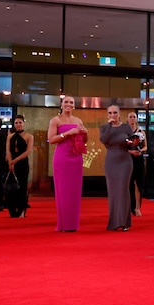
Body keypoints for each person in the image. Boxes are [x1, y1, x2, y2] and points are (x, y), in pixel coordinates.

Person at [48, 95, 88, 232]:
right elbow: (51, 139)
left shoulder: (78, 120)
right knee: (63, 191)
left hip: (76, 158)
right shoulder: (55, 120)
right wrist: (68, 133)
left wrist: (85, 133)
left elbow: (84, 141)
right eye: (66, 102)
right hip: (62, 158)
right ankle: (63, 224)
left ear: (74, 105)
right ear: (61, 104)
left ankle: (73, 224)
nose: (68, 104)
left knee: (74, 191)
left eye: (71, 102)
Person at [100, 105, 134, 231]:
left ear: (119, 114)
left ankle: (124, 222)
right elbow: (104, 140)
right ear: (107, 114)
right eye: (110, 113)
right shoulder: (104, 127)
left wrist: (132, 144)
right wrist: (109, 126)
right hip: (111, 162)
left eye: (115, 112)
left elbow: (133, 143)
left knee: (123, 190)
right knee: (113, 192)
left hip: (125, 162)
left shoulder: (126, 127)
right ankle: (114, 222)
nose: (113, 115)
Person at [5, 114, 34, 218]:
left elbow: (28, 151)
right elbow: (8, 150)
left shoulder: (29, 136)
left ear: (24, 124)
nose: (18, 125)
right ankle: (12, 209)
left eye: (20, 122)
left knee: (22, 186)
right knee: (11, 187)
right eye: (16, 123)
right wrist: (10, 162)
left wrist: (14, 161)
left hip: (22, 163)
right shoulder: (9, 136)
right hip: (11, 163)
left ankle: (22, 209)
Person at [126, 111, 147, 217]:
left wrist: (140, 151)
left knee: (138, 184)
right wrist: (130, 152)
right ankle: (128, 207)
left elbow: (145, 146)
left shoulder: (141, 132)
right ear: (127, 119)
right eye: (130, 117)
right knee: (128, 184)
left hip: (138, 159)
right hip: (127, 160)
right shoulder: (124, 132)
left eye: (134, 117)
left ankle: (137, 208)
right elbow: (121, 147)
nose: (132, 119)